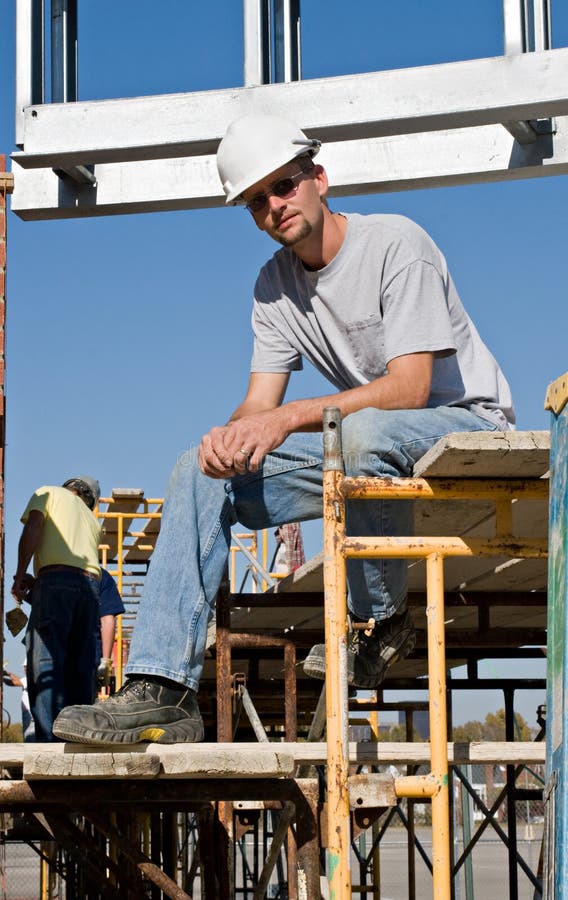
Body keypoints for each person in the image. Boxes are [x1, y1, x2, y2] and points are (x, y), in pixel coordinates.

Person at [53, 113, 514, 746]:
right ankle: (164, 689)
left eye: (286, 185)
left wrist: (289, 417)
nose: (275, 205)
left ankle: (380, 622)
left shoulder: (396, 246)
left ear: (319, 179)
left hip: (459, 423)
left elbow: (411, 389)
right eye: (257, 200)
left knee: (357, 435)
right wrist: (227, 437)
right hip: (357, 441)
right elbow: (259, 403)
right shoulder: (273, 286)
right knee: (199, 470)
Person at [12, 475, 102, 741]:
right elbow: (74, 565)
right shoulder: (91, 520)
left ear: (69, 486)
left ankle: (49, 743)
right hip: (90, 587)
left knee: (46, 662)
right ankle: (77, 738)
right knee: (79, 664)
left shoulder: (48, 492)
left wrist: (20, 575)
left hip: (55, 581)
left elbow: (34, 527)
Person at [97, 568, 125, 690]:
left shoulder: (49, 570)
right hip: (88, 657)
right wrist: (106, 662)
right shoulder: (99, 575)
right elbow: (107, 619)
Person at [3, 664, 35, 741]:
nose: (24, 669)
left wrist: (2, 679)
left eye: (26, 667)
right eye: (24, 667)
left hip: (30, 715)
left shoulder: (30, 678)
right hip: (29, 714)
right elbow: (18, 679)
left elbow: (13, 682)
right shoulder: (28, 679)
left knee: (29, 737)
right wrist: (8, 674)